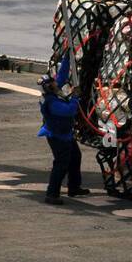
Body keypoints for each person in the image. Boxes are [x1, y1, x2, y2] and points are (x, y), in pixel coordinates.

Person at [37, 54, 90, 205]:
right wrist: (75, 97)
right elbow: (69, 111)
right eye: (52, 82)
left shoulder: (54, 91)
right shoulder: (51, 102)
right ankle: (52, 194)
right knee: (61, 164)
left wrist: (68, 57)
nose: (55, 82)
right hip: (57, 136)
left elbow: (63, 73)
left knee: (75, 157)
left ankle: (74, 187)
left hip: (65, 133)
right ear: (48, 87)